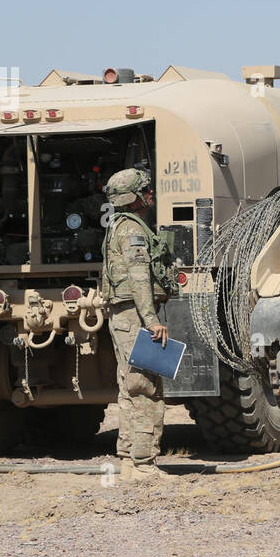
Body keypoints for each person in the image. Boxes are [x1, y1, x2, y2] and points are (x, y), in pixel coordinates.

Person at [100, 168, 175, 481]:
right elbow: (140, 278)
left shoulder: (118, 226)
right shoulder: (133, 231)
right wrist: (152, 321)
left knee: (128, 387)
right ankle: (143, 463)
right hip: (135, 315)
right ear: (135, 197)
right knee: (144, 386)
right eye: (146, 190)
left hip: (123, 317)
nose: (151, 195)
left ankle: (129, 459)